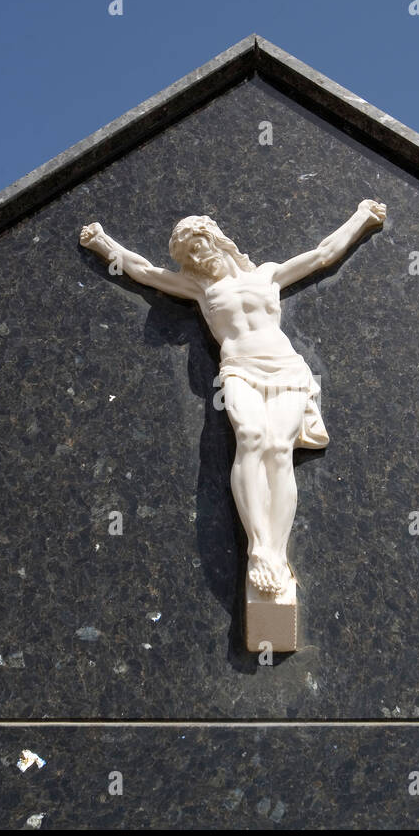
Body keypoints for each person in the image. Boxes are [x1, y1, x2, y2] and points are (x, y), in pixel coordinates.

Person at [79, 200, 386, 605]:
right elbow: (143, 271)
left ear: (215, 240)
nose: (195, 259)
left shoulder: (268, 274)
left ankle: (276, 553)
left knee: (278, 449)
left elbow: (324, 254)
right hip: (238, 368)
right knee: (251, 437)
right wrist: (103, 244)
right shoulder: (199, 288)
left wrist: (362, 217)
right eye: (187, 256)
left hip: (285, 368)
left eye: (197, 248)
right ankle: (258, 546)